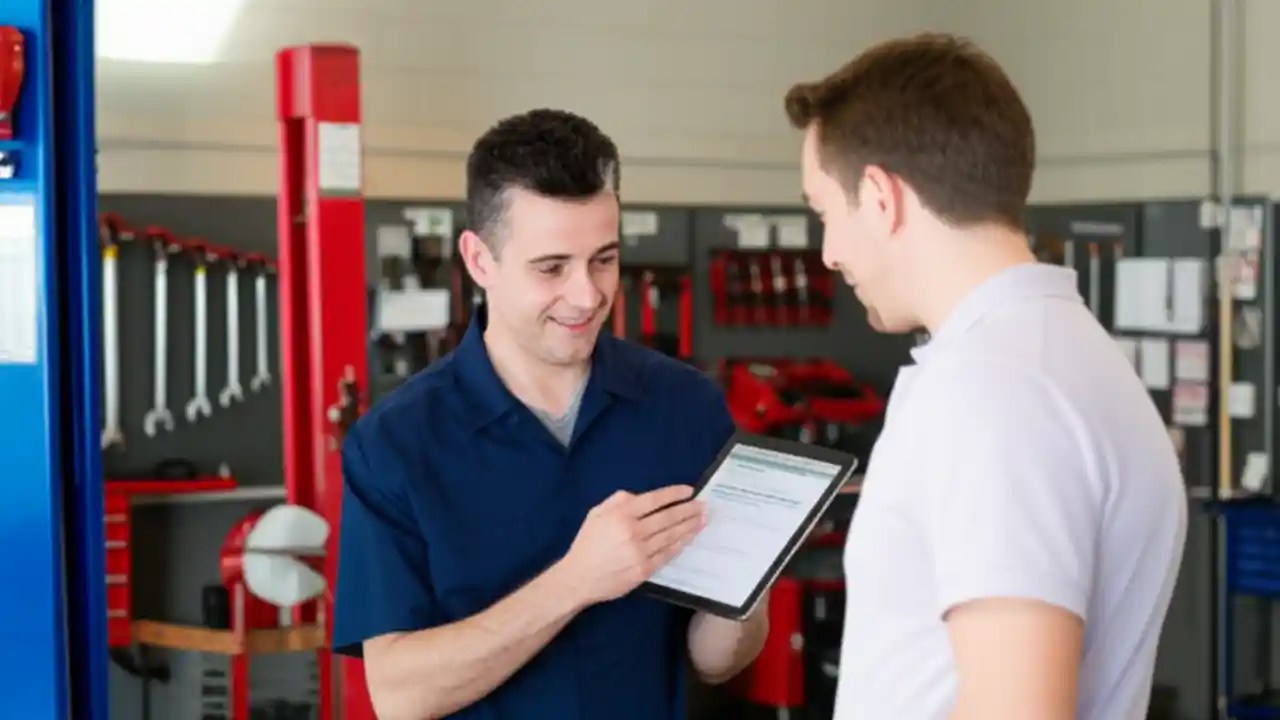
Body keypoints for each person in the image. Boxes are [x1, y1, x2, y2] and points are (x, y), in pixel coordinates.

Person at [784, 33, 1188, 719]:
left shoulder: (994, 391)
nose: (827, 254)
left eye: (826, 213)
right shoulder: (1061, 358)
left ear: (881, 198)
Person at [330, 108, 768, 720]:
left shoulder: (683, 408)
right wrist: (576, 581)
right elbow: (402, 695)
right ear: (480, 261)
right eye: (552, 267)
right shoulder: (396, 444)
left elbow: (714, 659)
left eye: (604, 260)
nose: (587, 295)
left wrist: (750, 578)